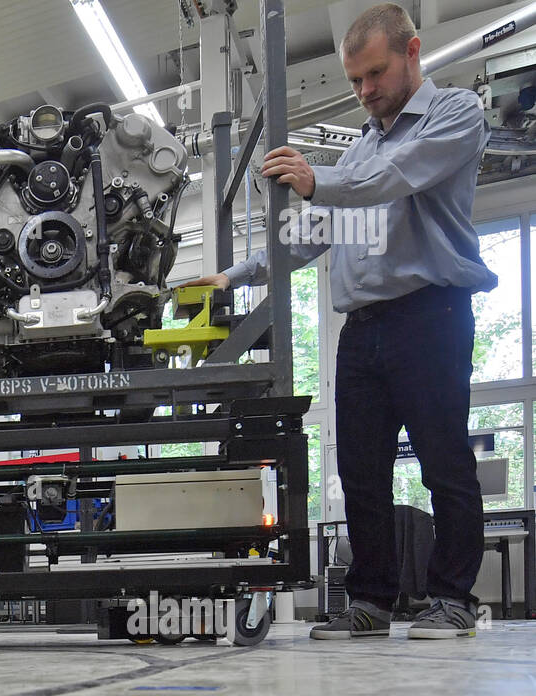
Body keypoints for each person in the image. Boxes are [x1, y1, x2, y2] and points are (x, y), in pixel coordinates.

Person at [183, 3, 495, 640]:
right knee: (360, 471)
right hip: (364, 329)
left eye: (374, 74)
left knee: (444, 462)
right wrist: (236, 276)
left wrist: (316, 178)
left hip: (431, 315)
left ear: (411, 53)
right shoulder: (360, 147)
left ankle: (453, 599)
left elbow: (394, 178)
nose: (365, 90)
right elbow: (314, 232)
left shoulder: (455, 114)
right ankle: (371, 601)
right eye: (355, 81)